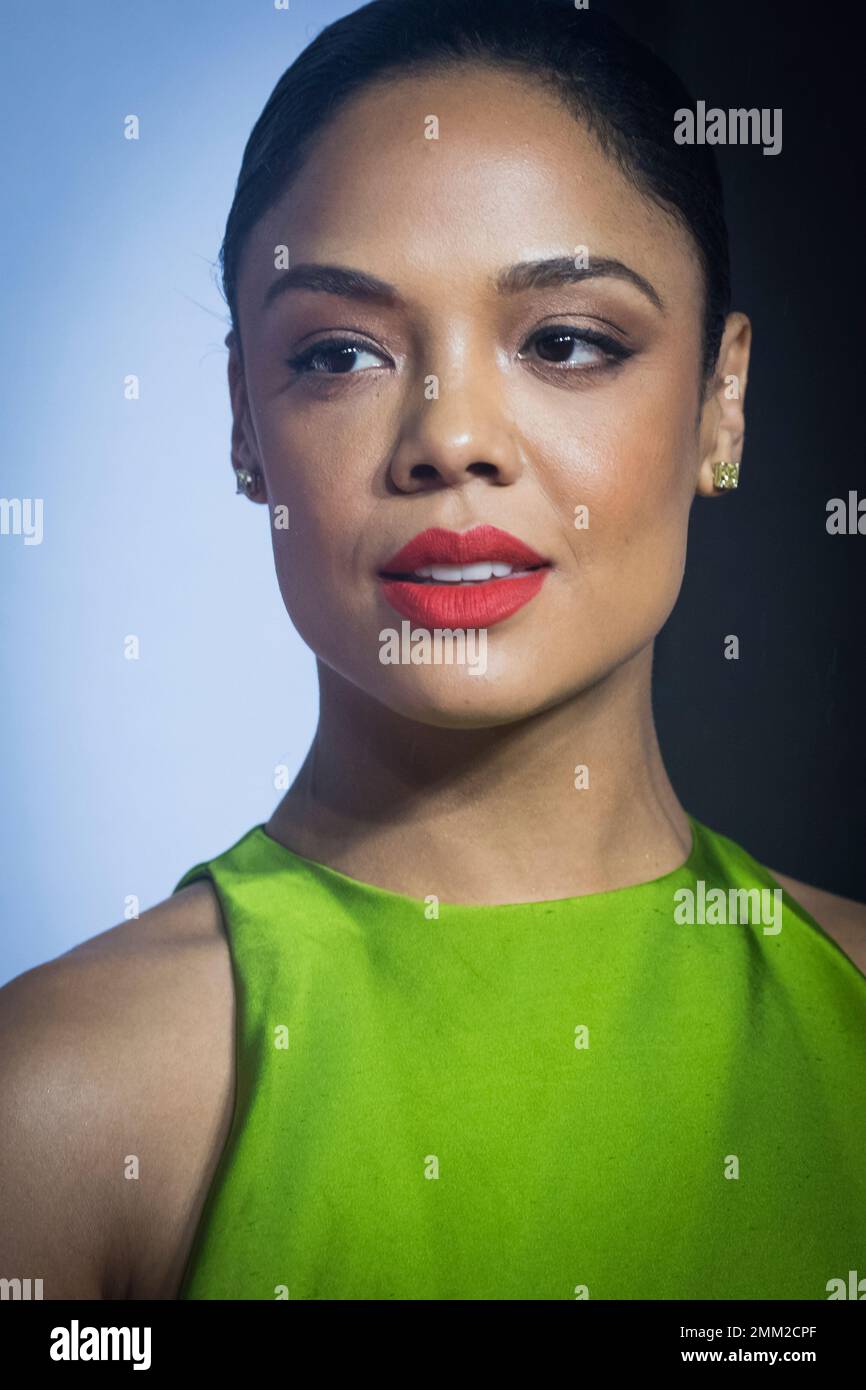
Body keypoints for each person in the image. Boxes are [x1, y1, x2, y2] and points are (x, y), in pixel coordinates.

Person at [2, 0, 864, 1301]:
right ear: (244, 417)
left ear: (719, 399)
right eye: (341, 352)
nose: (449, 438)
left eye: (567, 341)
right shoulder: (54, 1100)